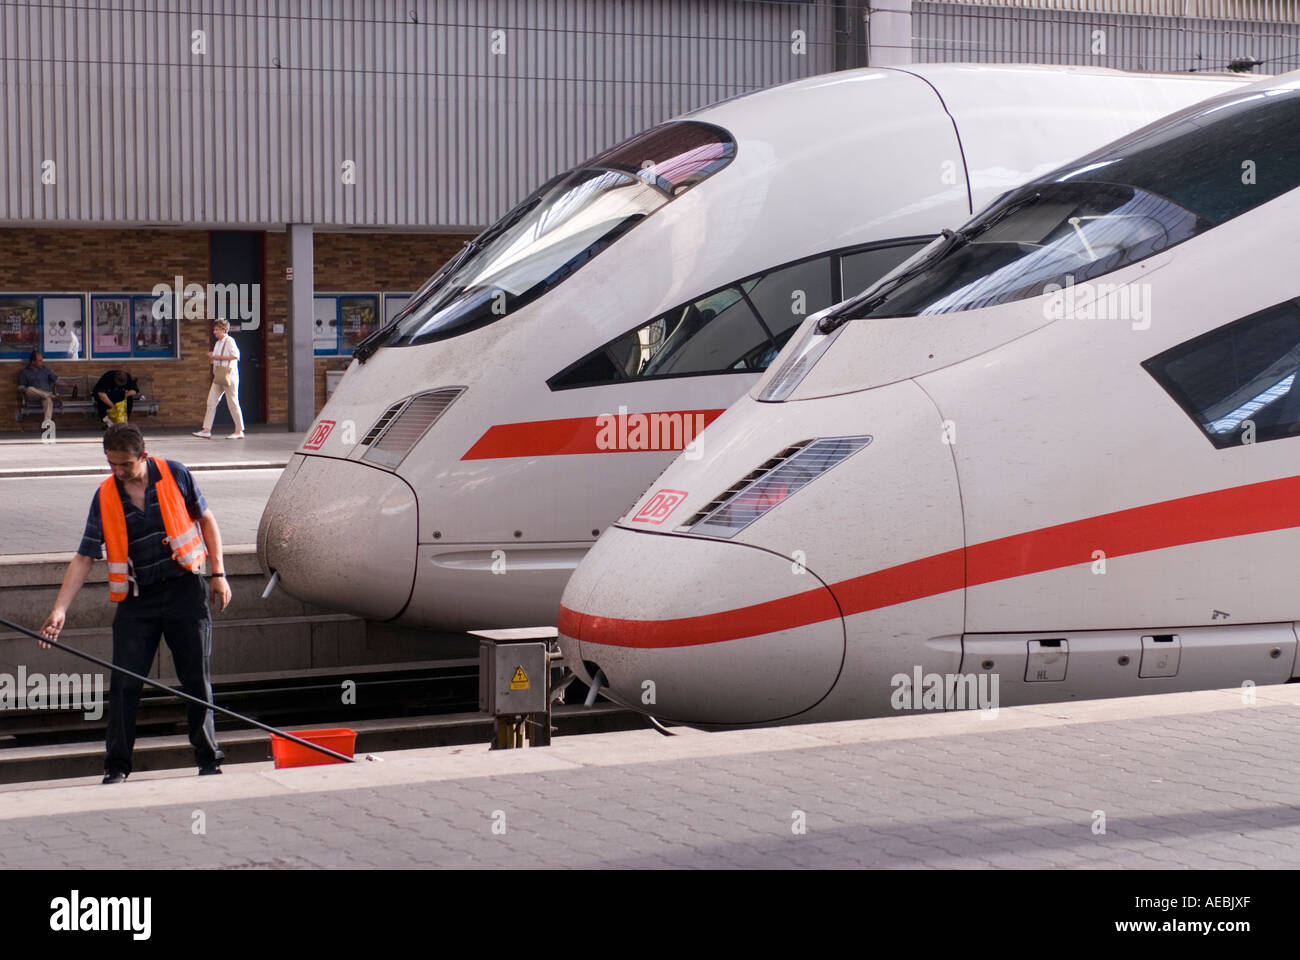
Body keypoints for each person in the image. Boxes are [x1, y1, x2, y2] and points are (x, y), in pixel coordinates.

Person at [40, 423, 231, 783]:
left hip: (185, 591)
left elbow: (207, 520)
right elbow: (84, 557)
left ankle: (209, 759)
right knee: (125, 684)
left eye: (125, 465)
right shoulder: (105, 495)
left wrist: (218, 574)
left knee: (196, 680)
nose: (118, 472)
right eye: (112, 464)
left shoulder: (175, 473)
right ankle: (117, 767)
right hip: (136, 601)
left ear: (143, 456)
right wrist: (60, 608)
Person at [193, 319, 245, 439]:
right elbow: (215, 360)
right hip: (219, 376)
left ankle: (239, 431)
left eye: (217, 329)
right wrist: (212, 358)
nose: (214, 332)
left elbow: (236, 356)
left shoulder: (230, 341)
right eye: (214, 329)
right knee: (211, 401)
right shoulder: (218, 343)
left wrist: (217, 357)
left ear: (223, 330)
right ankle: (206, 430)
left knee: (233, 403)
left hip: (229, 376)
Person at [17, 350, 59, 422]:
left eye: (42, 360)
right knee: (30, 388)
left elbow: (57, 380)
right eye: (39, 361)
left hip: (44, 394)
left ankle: (47, 424)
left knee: (48, 400)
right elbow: (20, 387)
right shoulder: (24, 372)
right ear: (33, 362)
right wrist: (33, 390)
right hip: (33, 395)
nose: (42, 362)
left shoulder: (45, 369)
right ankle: (50, 395)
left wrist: (70, 385)